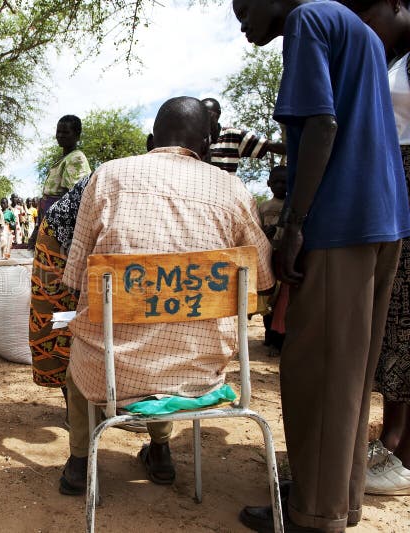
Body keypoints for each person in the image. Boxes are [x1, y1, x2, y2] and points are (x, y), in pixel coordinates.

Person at [232, 1, 410, 531]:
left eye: (243, 6)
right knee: (350, 375)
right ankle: (340, 500)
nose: (241, 20)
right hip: (386, 220)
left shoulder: (309, 21)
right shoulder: (362, 34)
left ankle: (314, 515)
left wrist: (293, 225)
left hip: (341, 222)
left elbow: (323, 124)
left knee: (317, 373)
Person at [58, 97, 274, 495]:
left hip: (112, 374)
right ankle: (160, 450)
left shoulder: (108, 176)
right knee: (172, 336)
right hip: (201, 376)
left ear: (150, 139)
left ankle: (79, 461)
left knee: (89, 347)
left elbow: (75, 277)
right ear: (206, 146)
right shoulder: (234, 189)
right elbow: (260, 278)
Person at [341, 0, 410, 497]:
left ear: (396, 3)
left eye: (366, 13)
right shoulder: (391, 61)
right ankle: (389, 439)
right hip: (394, 189)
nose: (363, 27)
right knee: (396, 324)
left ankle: (403, 454)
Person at [29, 173, 92, 417]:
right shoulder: (117, 181)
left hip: (88, 241)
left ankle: (96, 406)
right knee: (61, 319)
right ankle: (74, 409)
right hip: (59, 238)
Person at [34, 115, 92, 244]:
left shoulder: (76, 158)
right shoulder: (65, 158)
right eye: (58, 131)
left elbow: (75, 196)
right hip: (50, 218)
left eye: (65, 132)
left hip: (60, 222)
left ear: (77, 135)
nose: (60, 135)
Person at [201, 97, 286, 174]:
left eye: (208, 114)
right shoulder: (194, 139)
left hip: (222, 189)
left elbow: (270, 146)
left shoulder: (232, 137)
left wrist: (297, 150)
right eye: (201, 115)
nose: (204, 118)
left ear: (218, 114)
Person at [259, 166, 288, 354]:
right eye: (276, 181)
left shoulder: (291, 207)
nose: (280, 185)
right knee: (267, 297)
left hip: (284, 257)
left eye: (284, 182)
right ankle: (268, 335)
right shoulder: (264, 207)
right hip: (268, 257)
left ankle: (278, 338)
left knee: (280, 298)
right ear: (269, 184)